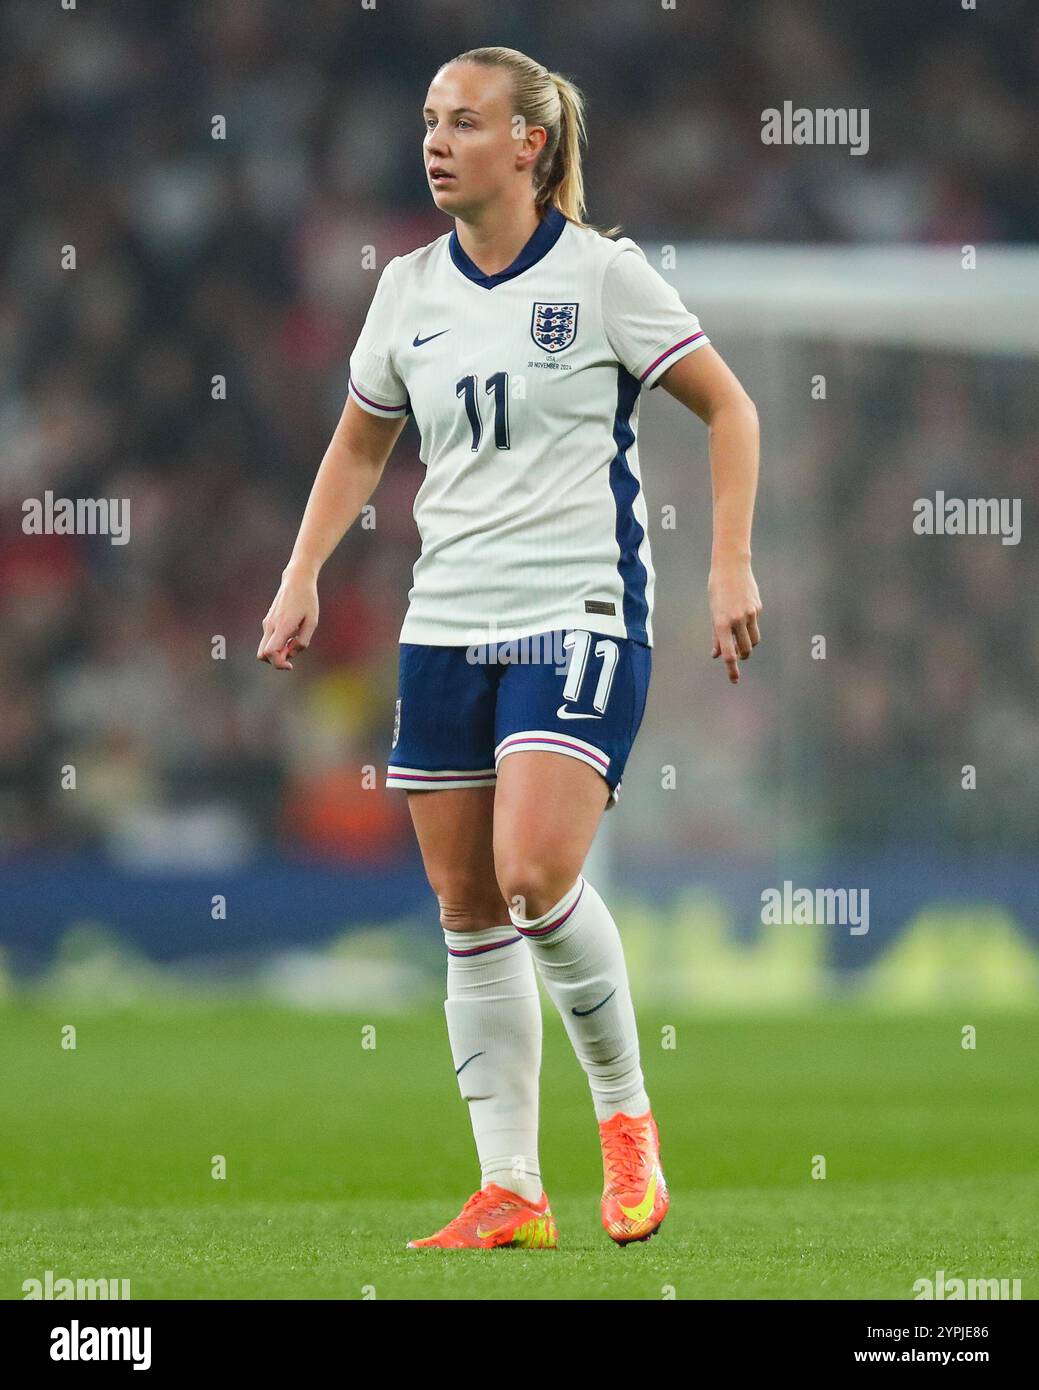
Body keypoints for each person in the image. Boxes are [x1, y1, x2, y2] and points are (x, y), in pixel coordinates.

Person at [258, 46, 761, 1249]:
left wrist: (729, 559)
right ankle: (510, 1190)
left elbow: (728, 407)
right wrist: (301, 570)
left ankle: (627, 1126)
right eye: (428, 119)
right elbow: (359, 448)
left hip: (579, 611)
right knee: (467, 904)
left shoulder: (602, 277)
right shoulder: (406, 290)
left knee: (534, 874)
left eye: (464, 121)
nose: (436, 141)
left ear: (529, 144)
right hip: (447, 621)